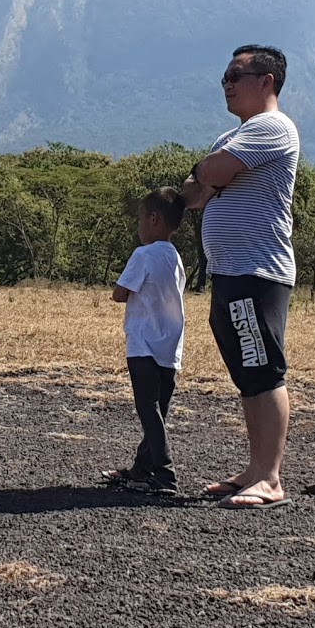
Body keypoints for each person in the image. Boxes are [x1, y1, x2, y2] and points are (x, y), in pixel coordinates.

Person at [182, 45, 299, 510]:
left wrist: (214, 175)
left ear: (267, 81)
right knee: (247, 372)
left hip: (257, 270)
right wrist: (213, 177)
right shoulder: (235, 135)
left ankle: (269, 478)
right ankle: (254, 470)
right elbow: (193, 196)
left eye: (236, 74)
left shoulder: (273, 127)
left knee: (263, 369)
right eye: (224, 76)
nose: (227, 83)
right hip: (231, 271)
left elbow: (207, 174)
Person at [101, 186, 188, 496]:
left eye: (140, 219)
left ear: (153, 219)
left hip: (143, 343)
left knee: (147, 408)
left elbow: (119, 294)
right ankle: (142, 469)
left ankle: (165, 475)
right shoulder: (176, 258)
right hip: (170, 346)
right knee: (158, 410)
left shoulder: (143, 254)